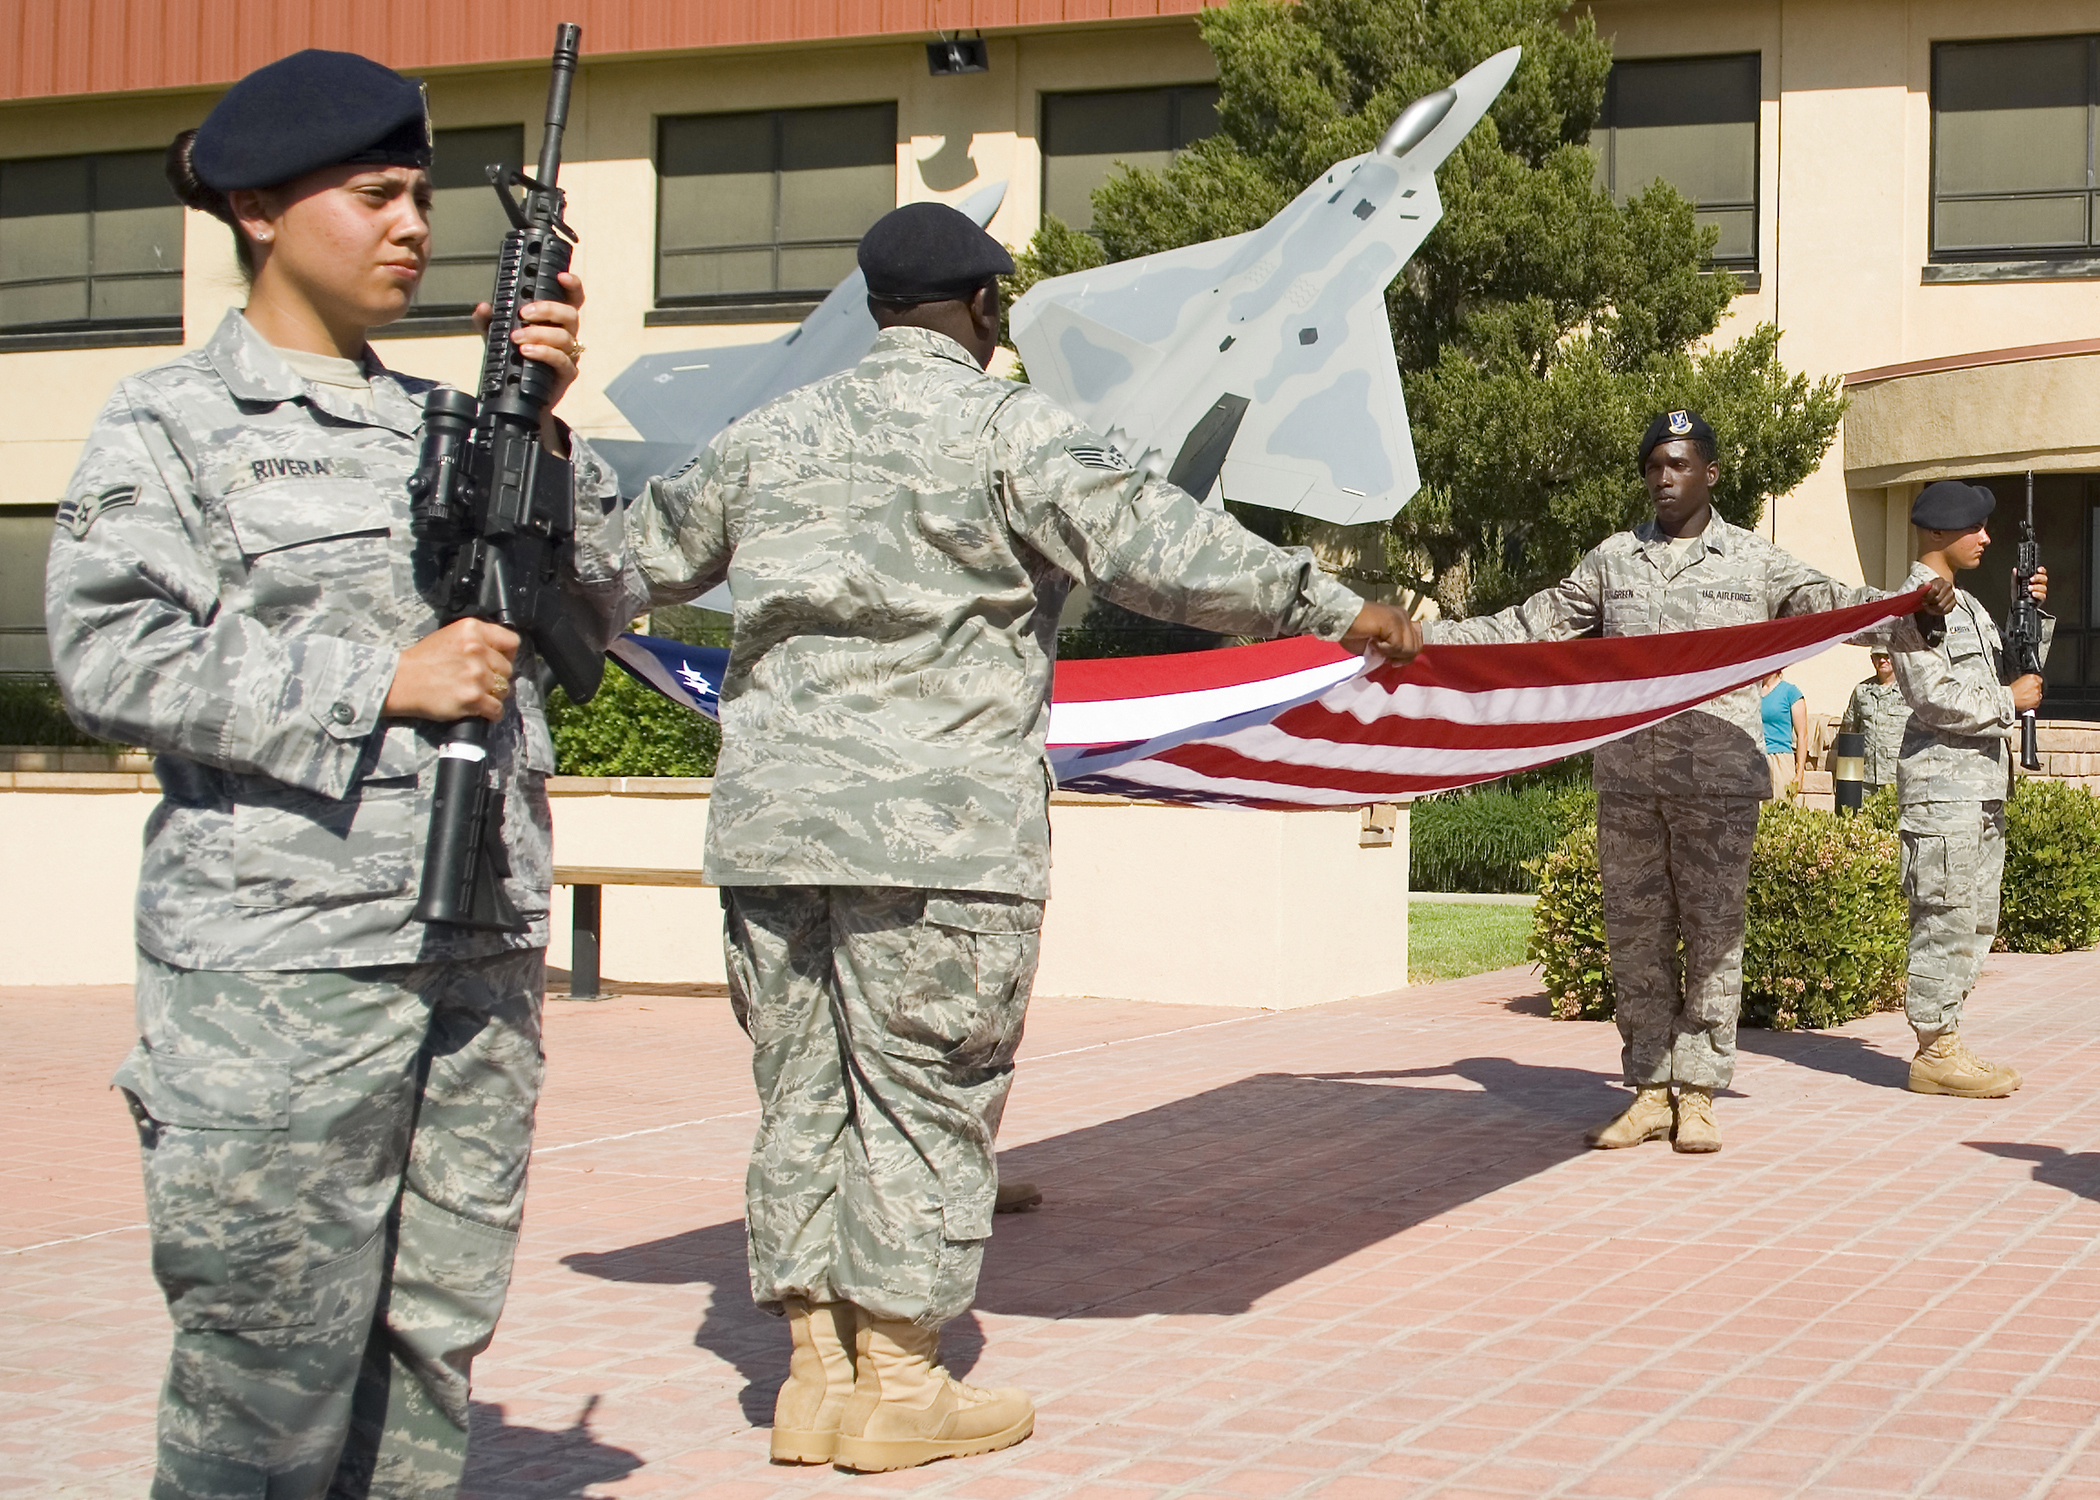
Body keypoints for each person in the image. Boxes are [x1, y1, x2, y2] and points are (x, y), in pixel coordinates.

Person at [628, 201, 1419, 1472]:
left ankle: (810, 1379)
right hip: (940, 837)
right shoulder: (1012, 431)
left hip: (774, 837)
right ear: (986, 311)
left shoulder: (766, 439)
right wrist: (1329, 602)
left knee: (799, 1101)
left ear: (878, 307)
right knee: (926, 1096)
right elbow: (1161, 547)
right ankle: (899, 1383)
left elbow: (617, 563)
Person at [43, 51, 624, 1499]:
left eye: (422, 197)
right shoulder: (175, 422)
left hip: (472, 949)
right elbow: (108, 654)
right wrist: (378, 677)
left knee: (430, 1344)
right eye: (373, 196)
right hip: (279, 975)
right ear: (256, 207)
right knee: (266, 1375)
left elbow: (605, 615)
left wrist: (545, 429)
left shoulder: (456, 419)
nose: (411, 226)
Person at [1422, 410, 1953, 1154]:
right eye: (1652, 467)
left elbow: (1835, 605)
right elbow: (1529, 624)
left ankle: (1698, 1091)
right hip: (1630, 781)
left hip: (1718, 785)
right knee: (1635, 937)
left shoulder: (1753, 562)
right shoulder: (1613, 561)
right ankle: (1647, 1090)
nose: (1663, 478)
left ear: (1710, 472)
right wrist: (1424, 638)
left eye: (1678, 464)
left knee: (1713, 937)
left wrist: (1911, 614)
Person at [1880, 480, 2049, 1097]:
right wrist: (2008, 700)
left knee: (1975, 919)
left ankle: (1948, 1037)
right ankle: (1933, 1051)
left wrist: (2031, 614)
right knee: (1943, 916)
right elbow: (1932, 696)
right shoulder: (1915, 603)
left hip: (1979, 787)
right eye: (1973, 527)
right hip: (1941, 789)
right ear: (1937, 532)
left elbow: (2019, 672)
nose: (1984, 537)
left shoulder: (1969, 606)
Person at [1843, 649, 1908, 793]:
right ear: (1872, 659)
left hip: (1897, 777)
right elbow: (1850, 729)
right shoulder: (1861, 691)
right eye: (1878, 656)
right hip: (1865, 777)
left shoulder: (1909, 691)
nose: (1883, 660)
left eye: (1887, 656)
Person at [1759, 669, 1807, 800]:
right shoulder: (1752, 692)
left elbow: (1802, 735)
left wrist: (1800, 773)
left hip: (1780, 760)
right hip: (1756, 759)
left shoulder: (1791, 693)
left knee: (1780, 810)